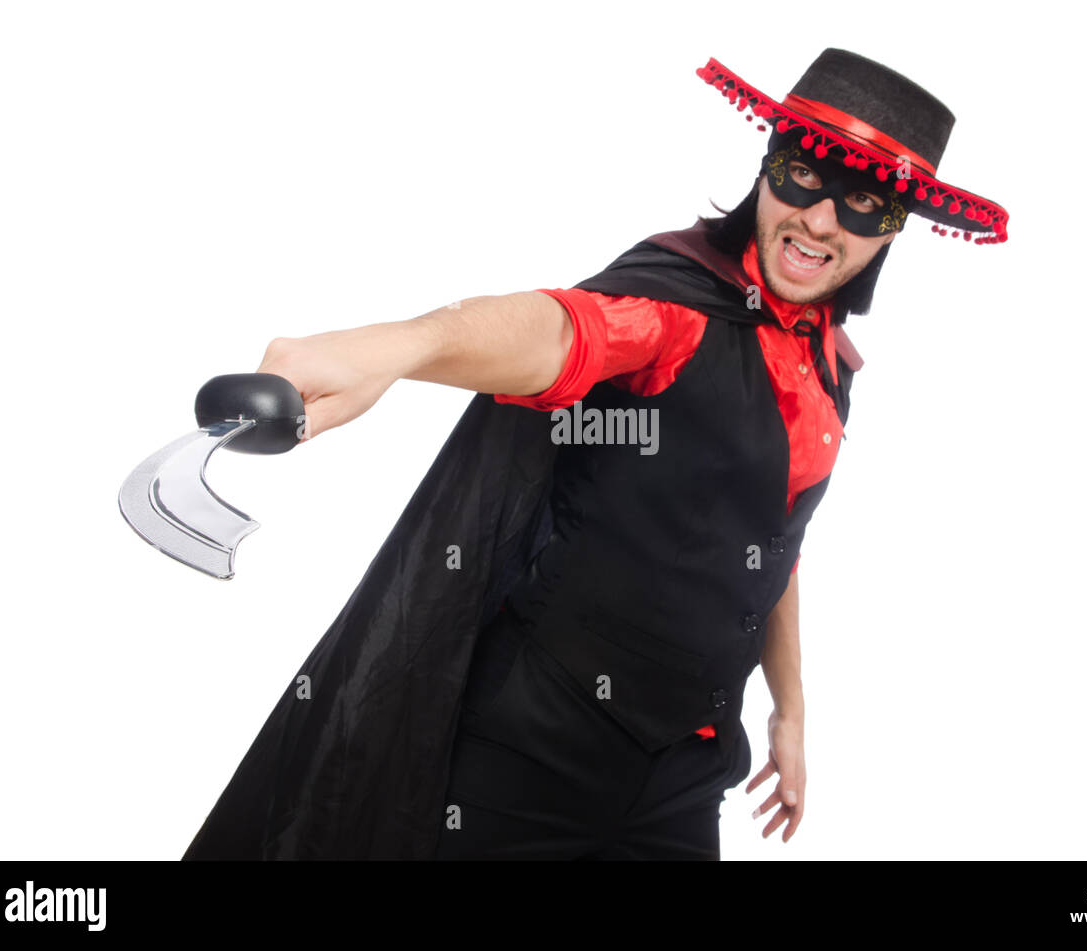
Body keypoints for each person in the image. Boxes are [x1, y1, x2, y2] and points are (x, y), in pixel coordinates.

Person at [181, 48, 1008, 861]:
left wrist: (789, 710)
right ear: (767, 167)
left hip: (683, 778)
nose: (821, 220)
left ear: (893, 232)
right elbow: (563, 328)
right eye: (803, 176)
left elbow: (775, 541)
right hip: (525, 756)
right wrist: (399, 348)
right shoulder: (675, 309)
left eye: (865, 206)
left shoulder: (832, 365)